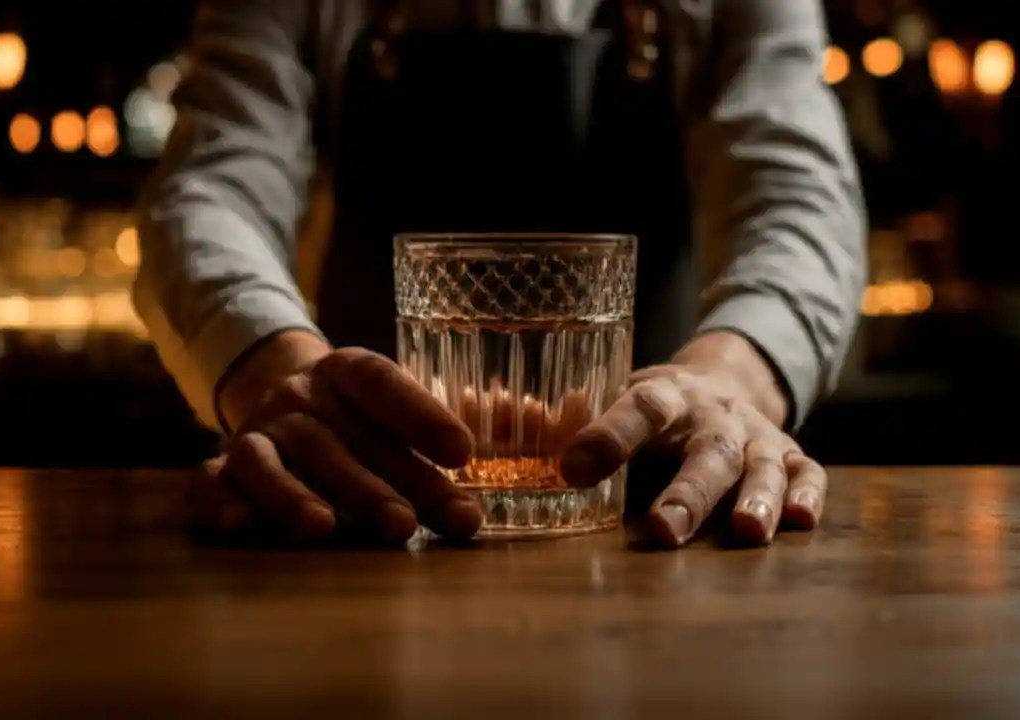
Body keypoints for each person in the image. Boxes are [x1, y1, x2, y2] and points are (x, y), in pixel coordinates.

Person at [133, 0, 867, 548]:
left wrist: (730, 380)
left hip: (643, 513)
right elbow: (212, 185)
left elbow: (798, 197)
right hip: (361, 508)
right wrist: (281, 375)